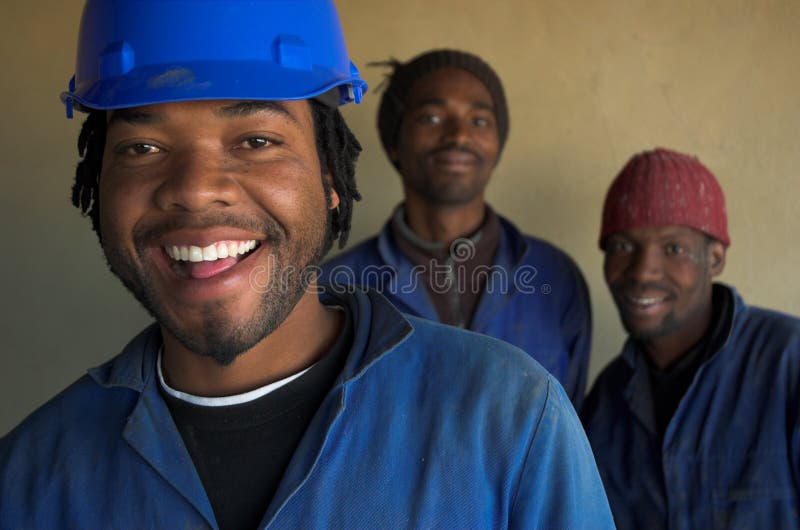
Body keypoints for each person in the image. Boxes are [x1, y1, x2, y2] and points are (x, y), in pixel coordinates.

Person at [0, 1, 614, 528]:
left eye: (256, 140)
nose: (194, 188)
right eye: (143, 147)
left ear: (330, 179)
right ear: (98, 184)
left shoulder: (512, 421)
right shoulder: (28, 479)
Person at [321, 49, 592, 408]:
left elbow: (569, 437)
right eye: (432, 118)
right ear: (394, 143)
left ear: (498, 143)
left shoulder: (555, 278)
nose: (459, 135)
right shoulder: (335, 288)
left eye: (479, 121)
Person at [581, 147, 800, 529]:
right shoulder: (605, 402)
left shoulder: (787, 362)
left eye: (673, 248)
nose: (643, 271)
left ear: (714, 259)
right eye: (622, 246)